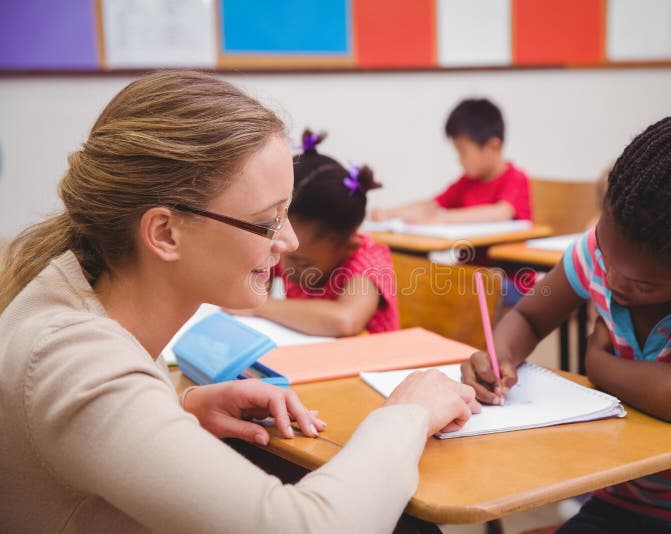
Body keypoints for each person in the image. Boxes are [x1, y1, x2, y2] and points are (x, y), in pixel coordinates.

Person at [0, 71, 480, 533]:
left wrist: (178, 408)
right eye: (268, 221)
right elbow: (312, 528)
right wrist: (406, 414)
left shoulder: (65, 301)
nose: (289, 241)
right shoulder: (75, 360)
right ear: (165, 233)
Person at [462, 80, 671, 533]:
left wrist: (595, 362)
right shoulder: (597, 251)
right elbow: (528, 313)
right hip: (621, 493)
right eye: (604, 250)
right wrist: (498, 354)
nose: (614, 280)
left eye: (643, 284)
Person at [225, 130, 399, 335]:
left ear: (348, 247)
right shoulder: (291, 251)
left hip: (373, 364)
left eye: (302, 263)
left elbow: (345, 320)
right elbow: (250, 291)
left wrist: (259, 307)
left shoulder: (369, 259)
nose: (285, 265)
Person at [370, 98, 531, 223]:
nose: (460, 160)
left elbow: (501, 212)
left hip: (507, 266)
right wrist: (390, 213)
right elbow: (431, 206)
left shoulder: (515, 178)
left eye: (463, 151)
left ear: (493, 146)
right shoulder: (466, 182)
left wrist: (443, 218)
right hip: (469, 264)